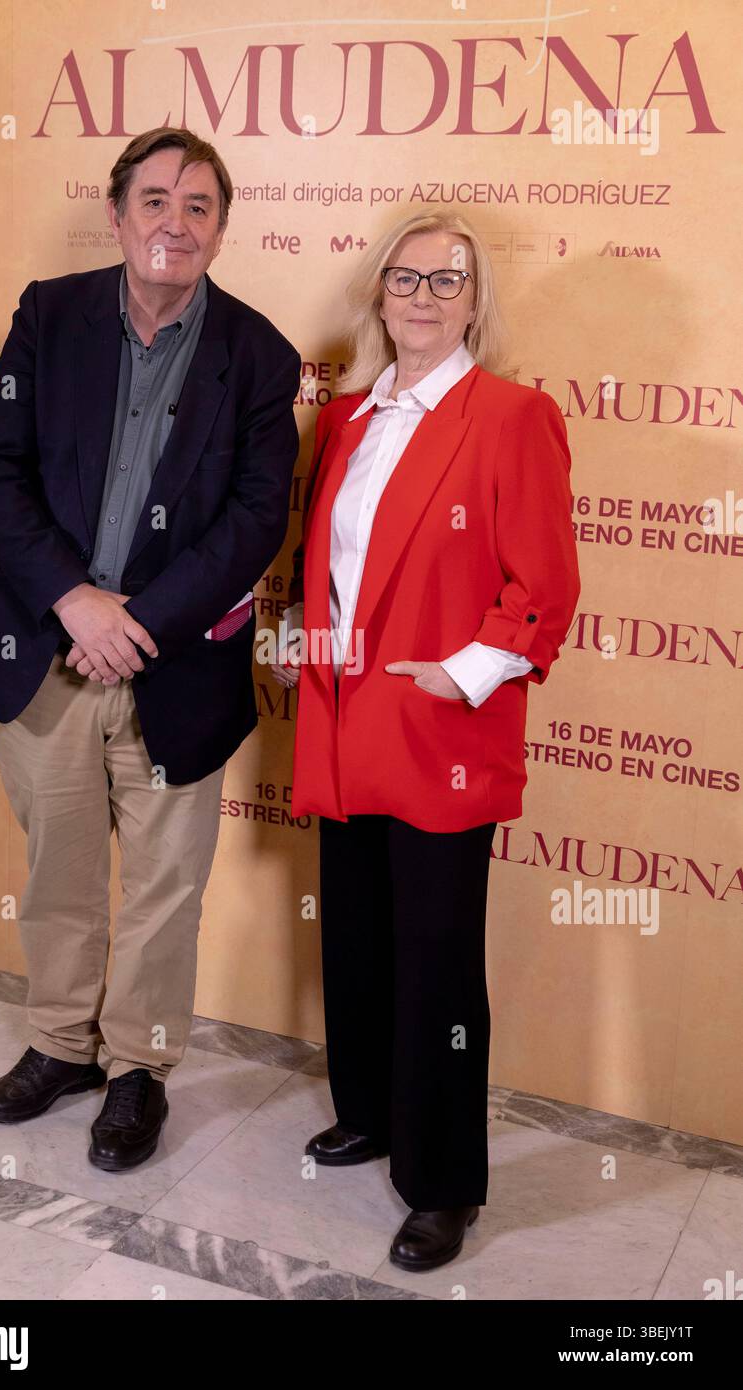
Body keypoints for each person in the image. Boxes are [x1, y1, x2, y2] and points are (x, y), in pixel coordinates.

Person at [0, 127, 301, 1172]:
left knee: (163, 887)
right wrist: (74, 601)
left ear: (220, 227)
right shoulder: (48, 318)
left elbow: (252, 521)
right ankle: (60, 1045)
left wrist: (136, 621)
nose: (173, 222)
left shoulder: (258, 354)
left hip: (175, 669)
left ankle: (139, 1068)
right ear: (116, 216)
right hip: (45, 651)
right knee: (56, 869)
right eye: (154, 200)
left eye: (197, 206)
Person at [273, 211, 580, 1270]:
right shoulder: (349, 418)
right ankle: (369, 1112)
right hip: (344, 722)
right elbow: (332, 566)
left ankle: (441, 1180)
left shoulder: (510, 416)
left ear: (472, 300)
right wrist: (298, 640)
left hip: (440, 727)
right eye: (402, 277)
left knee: (437, 962)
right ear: (379, 292)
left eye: (443, 280)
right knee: (354, 932)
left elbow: (540, 589)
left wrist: (460, 673)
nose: (419, 295)